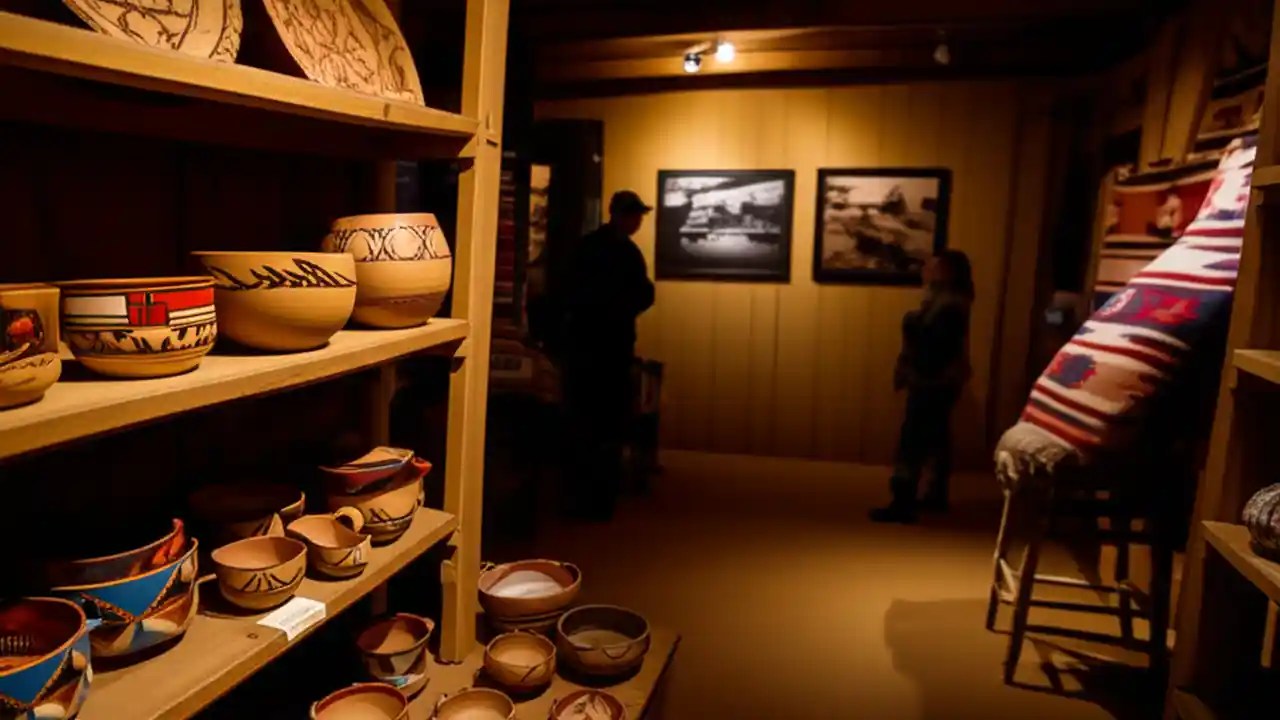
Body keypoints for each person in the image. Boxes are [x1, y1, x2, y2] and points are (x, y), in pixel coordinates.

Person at [558, 190, 656, 520]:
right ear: (622, 215)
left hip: (583, 347)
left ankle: (580, 497)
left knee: (584, 423)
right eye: (636, 215)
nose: (639, 221)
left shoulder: (588, 247)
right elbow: (644, 295)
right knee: (607, 424)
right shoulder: (626, 253)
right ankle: (600, 499)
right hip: (610, 348)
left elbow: (568, 292)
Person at [871, 249, 974, 524]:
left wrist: (912, 367)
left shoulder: (948, 303)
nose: (925, 269)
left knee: (912, 440)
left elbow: (934, 346)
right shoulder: (949, 300)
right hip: (943, 378)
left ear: (946, 271)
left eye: (933, 265)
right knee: (937, 437)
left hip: (933, 379)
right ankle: (934, 493)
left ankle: (903, 501)